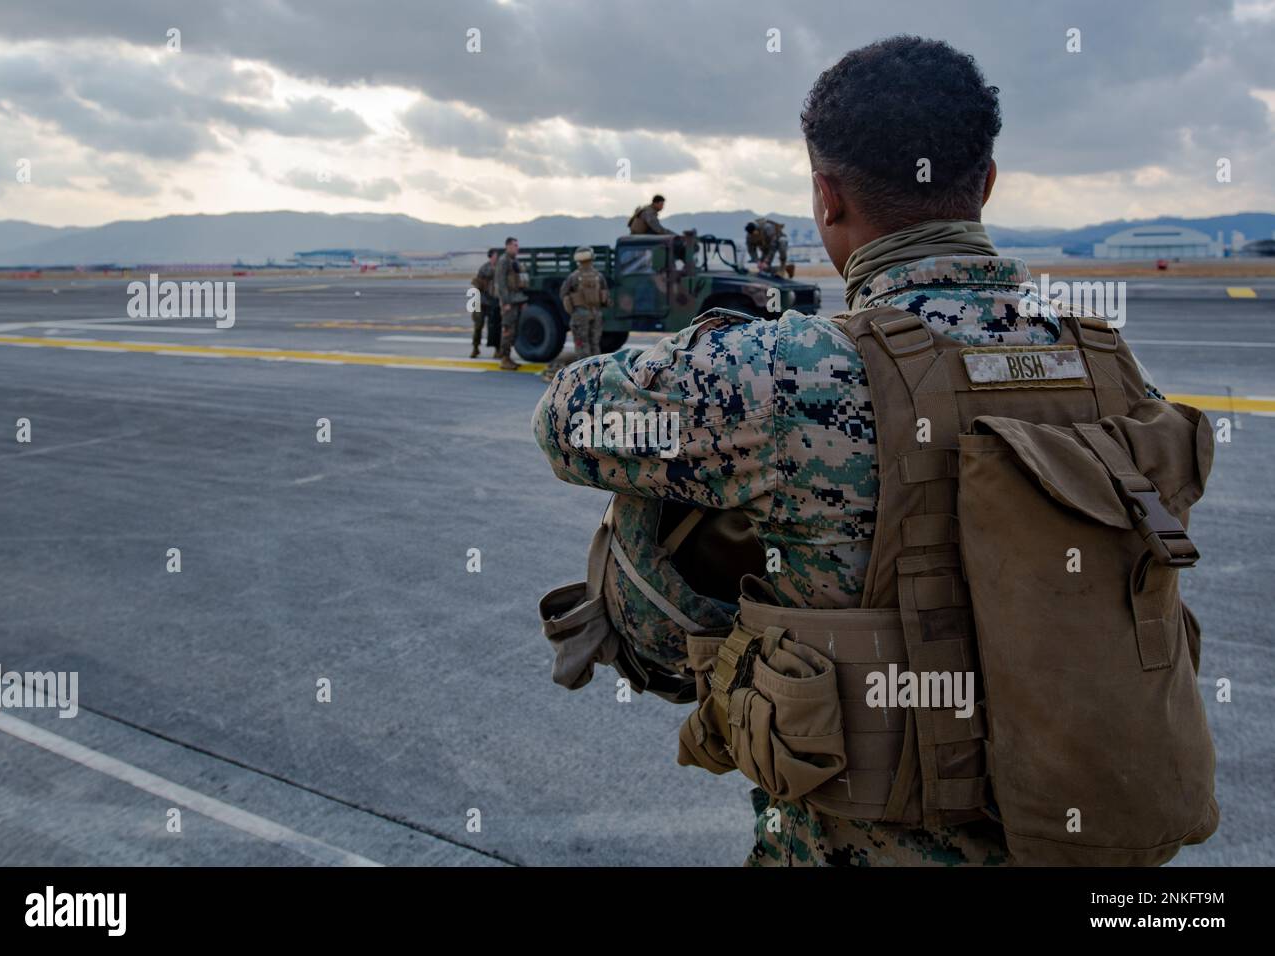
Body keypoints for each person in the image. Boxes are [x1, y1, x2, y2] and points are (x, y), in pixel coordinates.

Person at [533, 36, 1210, 867]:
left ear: (826, 196)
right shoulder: (1109, 363)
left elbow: (565, 420)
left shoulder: (789, 370)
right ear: (986, 184)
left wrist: (716, 344)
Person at [542, 247, 610, 382]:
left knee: (581, 346)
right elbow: (605, 296)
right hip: (596, 314)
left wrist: (573, 307)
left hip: (580, 316)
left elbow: (563, 293)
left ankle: (584, 377)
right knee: (595, 345)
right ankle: (596, 375)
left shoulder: (574, 277)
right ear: (591, 257)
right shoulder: (599, 276)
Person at [494, 236, 526, 371]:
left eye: (517, 245)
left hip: (516, 300)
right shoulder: (503, 261)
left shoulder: (514, 261)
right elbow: (500, 283)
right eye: (514, 245)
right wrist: (505, 302)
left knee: (513, 330)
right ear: (507, 246)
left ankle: (508, 357)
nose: (517, 248)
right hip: (509, 302)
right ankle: (504, 359)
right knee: (508, 330)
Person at [469, 248, 500, 358]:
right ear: (491, 256)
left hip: (493, 302)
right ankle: (475, 348)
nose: (498, 257)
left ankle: (497, 350)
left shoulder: (500, 267)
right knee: (478, 326)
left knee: (495, 327)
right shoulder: (485, 268)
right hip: (481, 301)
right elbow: (477, 285)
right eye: (496, 255)